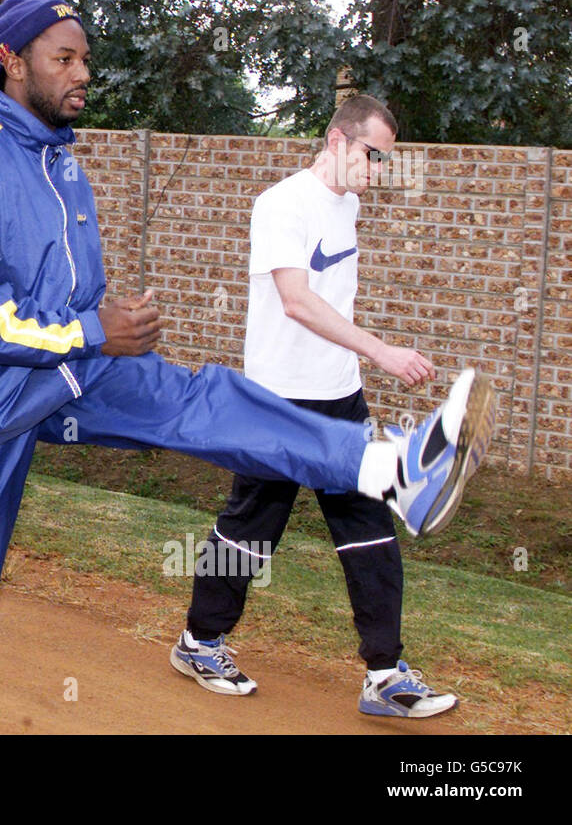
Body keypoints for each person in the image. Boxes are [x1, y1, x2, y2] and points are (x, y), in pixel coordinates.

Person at [0, 0, 494, 735]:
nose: (82, 75)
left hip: (69, 370)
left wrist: (104, 328)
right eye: (63, 59)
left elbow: (68, 295)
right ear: (11, 62)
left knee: (201, 397)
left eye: (84, 60)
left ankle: (388, 470)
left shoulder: (60, 166)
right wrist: (93, 328)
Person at [170, 95, 459, 718]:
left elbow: (328, 303)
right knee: (251, 528)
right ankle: (200, 640)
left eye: (385, 159)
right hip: (277, 400)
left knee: (368, 528)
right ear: (336, 141)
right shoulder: (281, 205)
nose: (378, 171)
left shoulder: (347, 205)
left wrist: (358, 365)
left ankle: (385, 675)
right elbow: (297, 301)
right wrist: (382, 350)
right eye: (372, 155)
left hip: (339, 398)